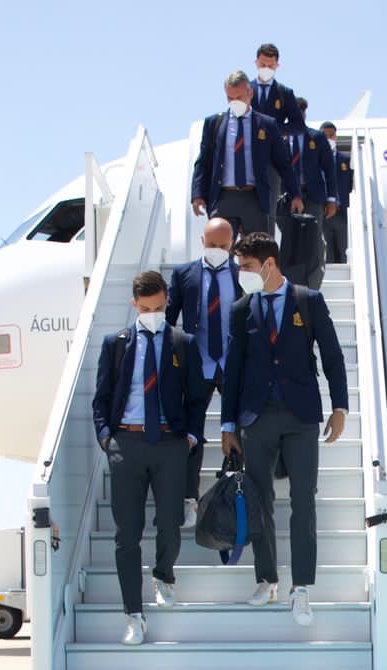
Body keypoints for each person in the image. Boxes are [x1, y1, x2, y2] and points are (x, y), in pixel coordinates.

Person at [218, 232, 347, 628]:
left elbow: (332, 354)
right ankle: (267, 579)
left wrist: (340, 406)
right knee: (260, 501)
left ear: (269, 264)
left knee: (303, 500)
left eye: (246, 267)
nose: (241, 273)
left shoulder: (308, 301)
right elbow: (233, 368)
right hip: (256, 417)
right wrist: (228, 424)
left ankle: (301, 587)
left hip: (301, 415)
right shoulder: (242, 309)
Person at [91, 270, 207, 645]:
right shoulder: (115, 344)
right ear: (134, 305)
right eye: (145, 309)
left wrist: (190, 437)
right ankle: (133, 615)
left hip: (170, 443)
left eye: (158, 308)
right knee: (127, 534)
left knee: (170, 521)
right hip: (126, 442)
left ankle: (163, 574)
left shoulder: (183, 343)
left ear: (167, 302)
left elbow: (197, 397)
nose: (153, 314)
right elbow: (101, 398)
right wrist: (107, 438)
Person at [166, 217, 241, 524]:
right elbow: (169, 318)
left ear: (232, 244)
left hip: (233, 362)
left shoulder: (242, 273)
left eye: (224, 246)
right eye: (212, 244)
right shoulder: (184, 274)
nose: (217, 250)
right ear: (202, 241)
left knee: (240, 428)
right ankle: (189, 498)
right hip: (198, 363)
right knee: (191, 431)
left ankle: (240, 497)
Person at [191, 72, 300, 242]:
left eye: (239, 97)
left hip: (254, 199)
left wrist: (295, 194)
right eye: (230, 98)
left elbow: (283, 163)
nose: (235, 102)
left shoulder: (267, 124)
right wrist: (197, 194)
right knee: (219, 250)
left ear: (250, 93)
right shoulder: (214, 124)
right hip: (223, 198)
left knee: (258, 250)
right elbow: (203, 162)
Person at [279, 103, 337, 288]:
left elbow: (329, 169)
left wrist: (332, 199)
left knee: (314, 239)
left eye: (301, 112)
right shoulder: (280, 137)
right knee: (289, 239)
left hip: (312, 196)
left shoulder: (317, 137)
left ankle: (313, 283)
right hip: (287, 196)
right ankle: (288, 283)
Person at [249, 44, 302, 134]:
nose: (266, 68)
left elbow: (299, 126)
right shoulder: (245, 89)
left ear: (277, 66)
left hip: (274, 141)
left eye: (270, 66)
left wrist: (274, 129)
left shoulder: (285, 93)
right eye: (263, 65)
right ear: (256, 62)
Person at [320, 120, 353, 264]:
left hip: (341, 213)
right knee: (326, 253)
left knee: (344, 249)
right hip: (322, 212)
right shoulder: (315, 160)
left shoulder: (346, 160)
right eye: (325, 136)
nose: (329, 139)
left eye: (331, 135)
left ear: (336, 136)